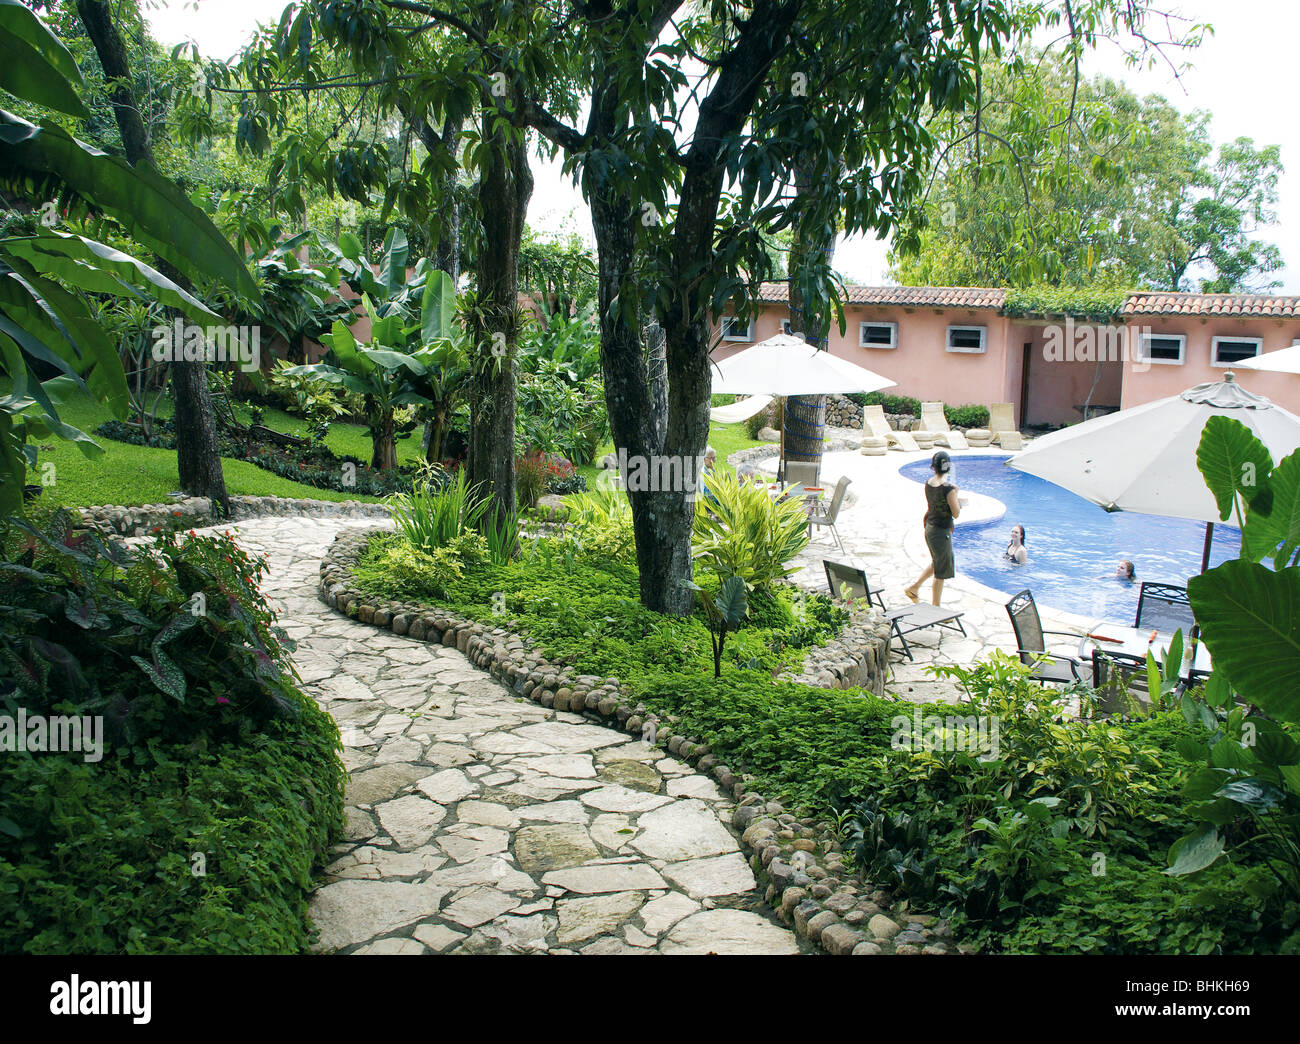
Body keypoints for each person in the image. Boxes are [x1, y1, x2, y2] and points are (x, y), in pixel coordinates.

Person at [904, 450, 961, 606]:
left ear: (933, 467)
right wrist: (956, 496)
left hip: (930, 527)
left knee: (937, 562)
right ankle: (936, 607)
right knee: (940, 572)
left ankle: (914, 588)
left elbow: (936, 504)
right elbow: (956, 513)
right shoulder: (948, 489)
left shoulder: (929, 483)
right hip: (941, 532)